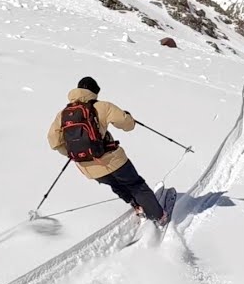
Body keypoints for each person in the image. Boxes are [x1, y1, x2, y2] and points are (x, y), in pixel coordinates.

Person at [47, 76, 166, 223]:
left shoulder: (63, 114)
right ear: (94, 92)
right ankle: (159, 217)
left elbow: (53, 140)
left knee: (115, 184)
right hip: (112, 161)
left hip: (88, 167)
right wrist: (128, 116)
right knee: (135, 185)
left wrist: (75, 153)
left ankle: (137, 206)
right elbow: (127, 125)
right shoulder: (102, 106)